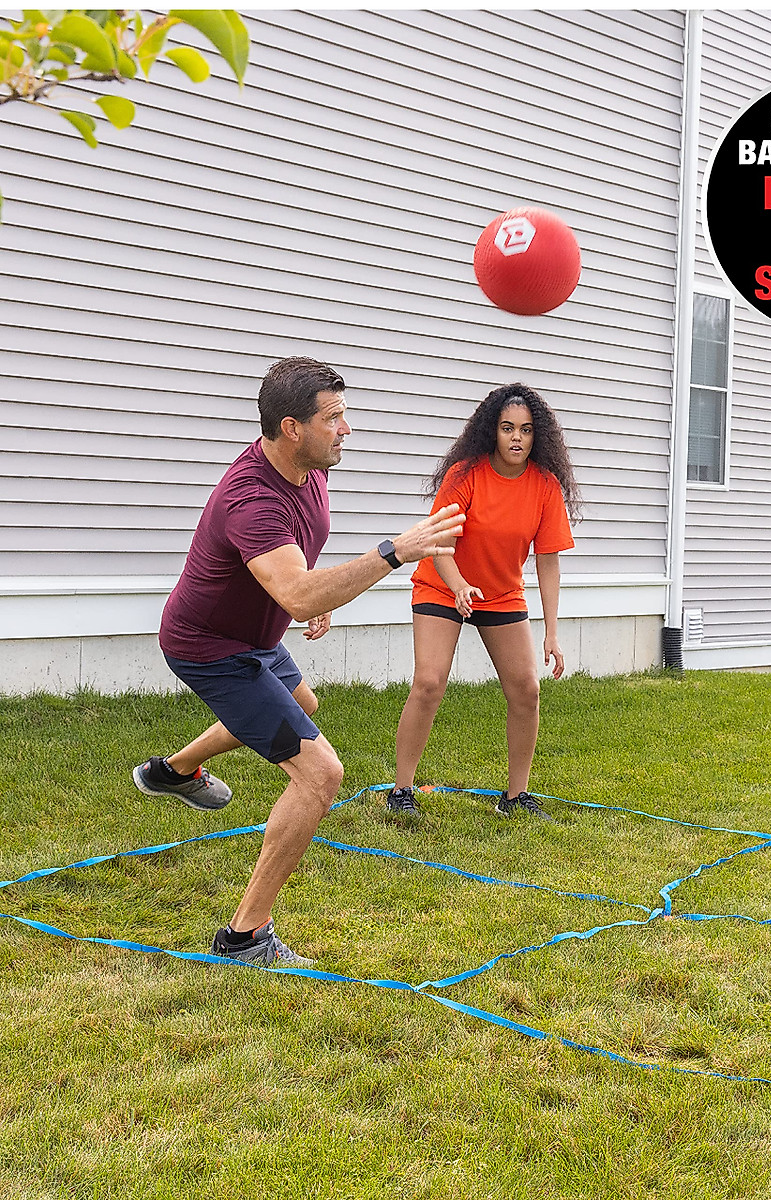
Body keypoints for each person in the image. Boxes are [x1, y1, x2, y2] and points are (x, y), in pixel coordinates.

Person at [133, 357, 464, 966]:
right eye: (334, 418)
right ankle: (244, 936)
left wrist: (314, 591)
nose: (347, 430)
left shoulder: (309, 469)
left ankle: (171, 773)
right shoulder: (251, 499)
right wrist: (392, 553)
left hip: (256, 638)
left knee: (302, 703)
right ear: (291, 427)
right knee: (320, 774)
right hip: (210, 647)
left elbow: (298, 571)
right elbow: (295, 582)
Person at [387, 383, 579, 820]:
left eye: (526, 431)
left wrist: (551, 631)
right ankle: (401, 791)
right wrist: (457, 587)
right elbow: (438, 544)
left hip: (502, 593)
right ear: (491, 431)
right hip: (442, 583)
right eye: (508, 428)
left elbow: (548, 562)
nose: (516, 438)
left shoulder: (545, 487)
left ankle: (515, 798)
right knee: (430, 682)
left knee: (527, 690)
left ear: (537, 436)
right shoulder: (465, 475)